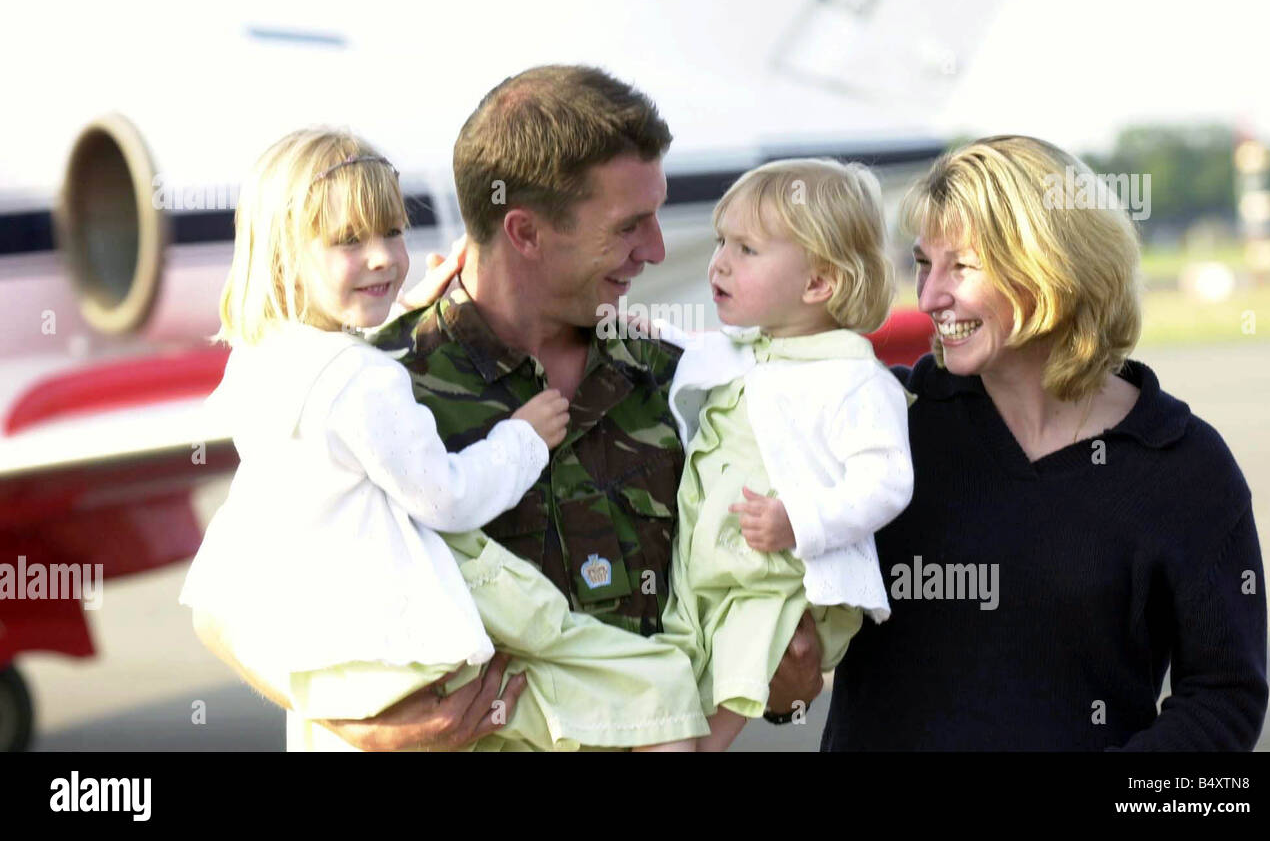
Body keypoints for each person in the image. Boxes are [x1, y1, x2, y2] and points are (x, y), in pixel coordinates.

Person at [194, 65, 825, 751]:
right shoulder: (377, 383)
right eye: (628, 226)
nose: (657, 250)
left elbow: (745, 603)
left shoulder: (680, 385)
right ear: (524, 232)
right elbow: (225, 603)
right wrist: (353, 719)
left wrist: (786, 686)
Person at [822, 135, 1269, 751]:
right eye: (923, 265)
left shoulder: (1185, 467)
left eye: (962, 267)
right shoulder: (881, 421)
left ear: (1051, 267)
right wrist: (783, 673)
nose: (928, 298)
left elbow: (1224, 698)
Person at [651, 158, 914, 750]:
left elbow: (887, 480)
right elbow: (676, 344)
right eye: (722, 241)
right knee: (673, 683)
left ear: (818, 284)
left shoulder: (852, 378)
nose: (718, 261)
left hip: (782, 585)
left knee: (718, 698)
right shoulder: (743, 352)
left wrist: (802, 521)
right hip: (713, 577)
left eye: (746, 248)